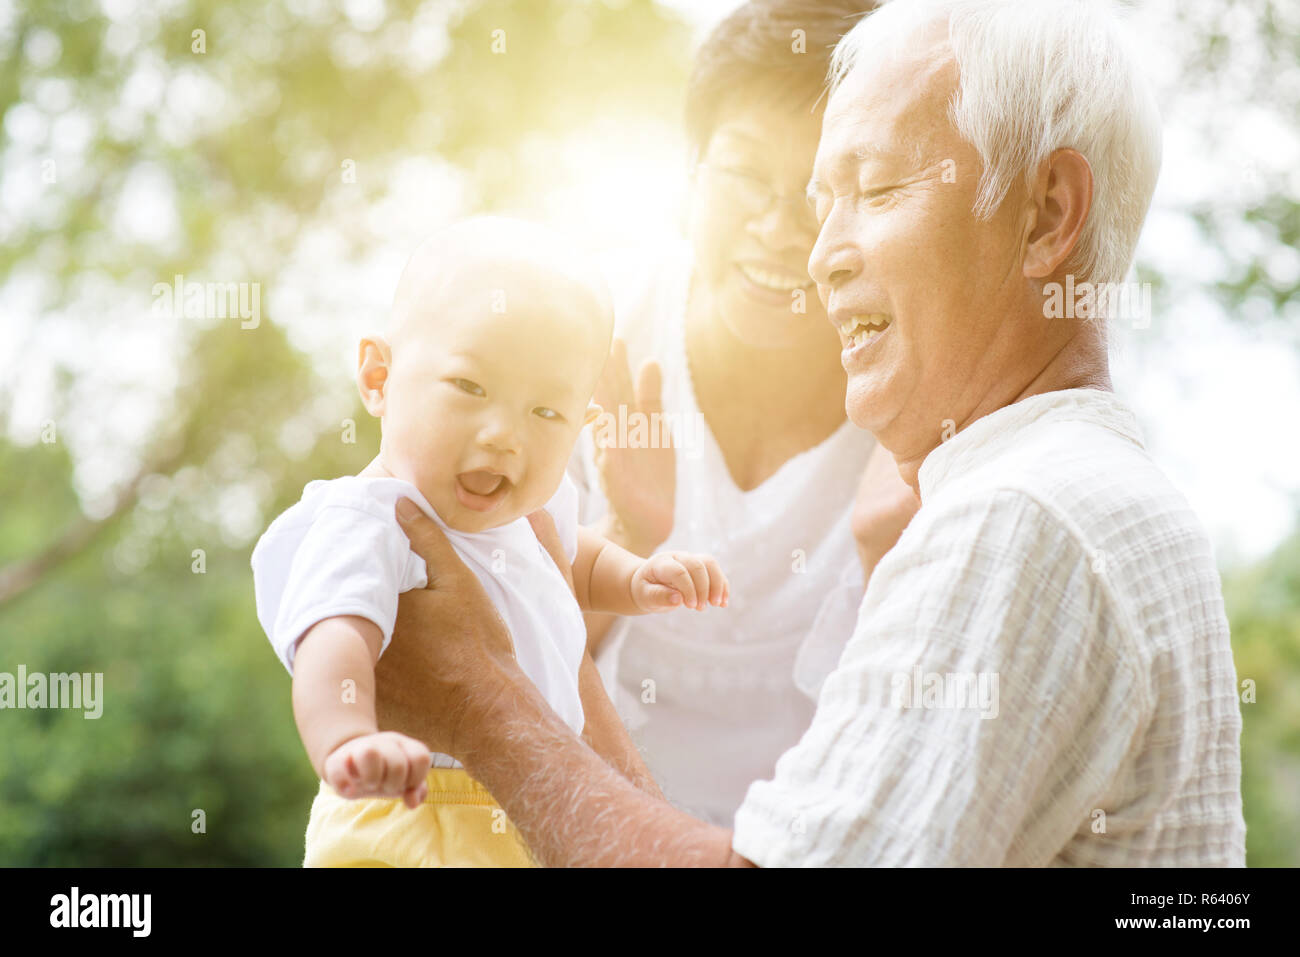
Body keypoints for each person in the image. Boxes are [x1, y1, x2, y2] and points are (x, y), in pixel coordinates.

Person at [374, 0, 1247, 867]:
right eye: (824, 201)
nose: (818, 251)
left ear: (1047, 214)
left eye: (873, 191)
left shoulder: (1020, 519)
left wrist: (482, 704)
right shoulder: (1069, 490)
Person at [250, 218, 726, 867]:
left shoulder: (532, 512)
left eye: (546, 412)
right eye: (471, 388)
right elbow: (332, 638)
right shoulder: (371, 519)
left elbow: (570, 566)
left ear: (581, 426)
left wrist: (637, 578)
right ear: (379, 376)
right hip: (413, 813)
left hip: (531, 806)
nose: (505, 433)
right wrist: (348, 741)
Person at [571, 0, 915, 827]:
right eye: (743, 174)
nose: (778, 227)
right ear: (690, 173)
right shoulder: (586, 331)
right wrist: (624, 538)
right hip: (579, 817)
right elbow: (492, 662)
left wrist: (886, 565)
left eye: (825, 190)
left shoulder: (919, 395)